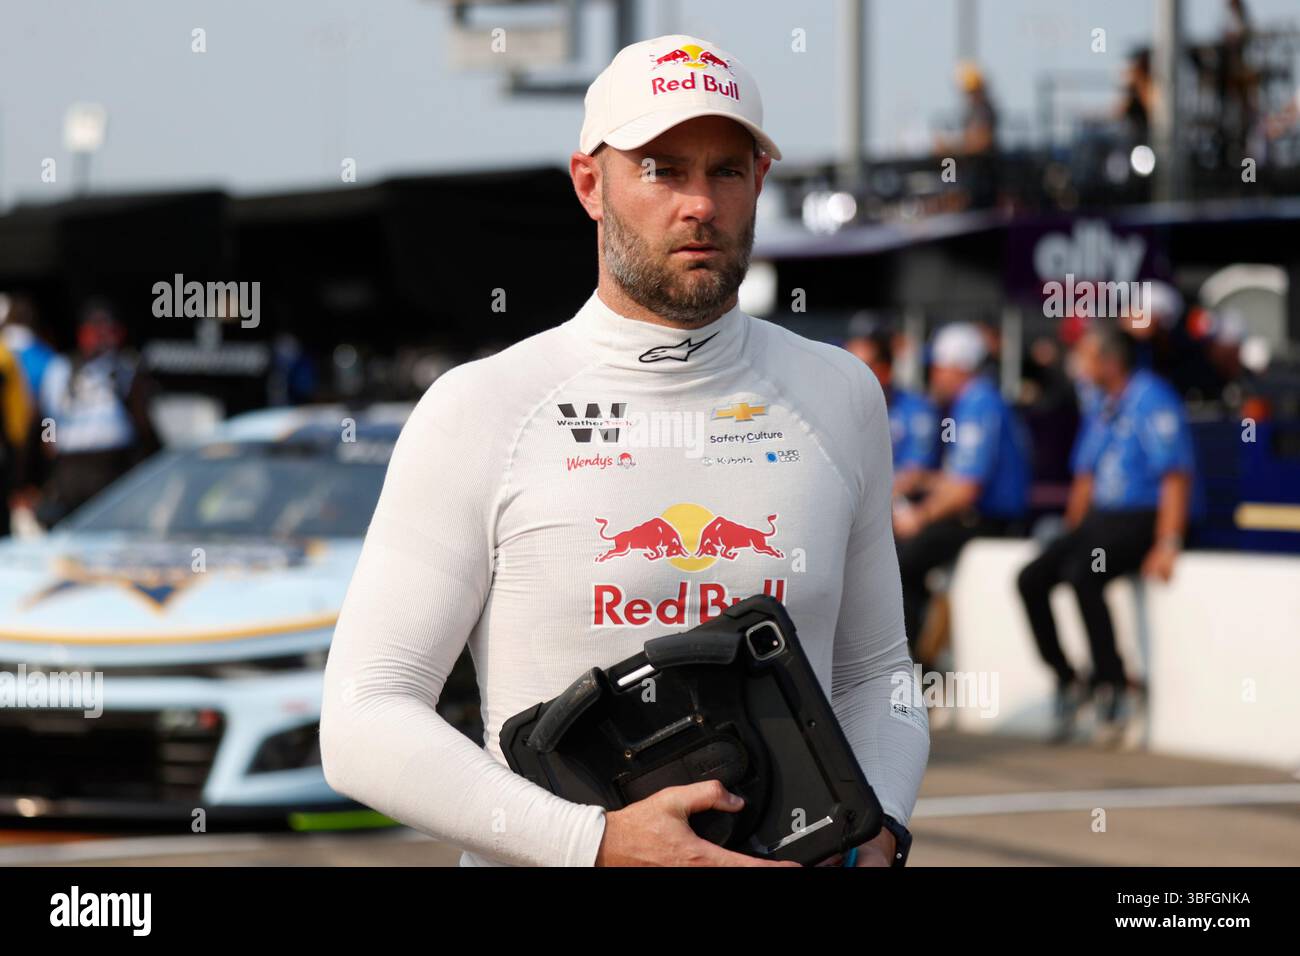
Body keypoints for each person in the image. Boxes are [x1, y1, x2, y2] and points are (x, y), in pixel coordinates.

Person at [320, 34, 929, 868]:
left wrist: (879, 831)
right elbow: (362, 716)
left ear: (759, 181)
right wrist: (598, 844)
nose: (700, 204)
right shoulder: (482, 406)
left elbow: (877, 677)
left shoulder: (839, 393)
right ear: (589, 185)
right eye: (661, 169)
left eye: (726, 170)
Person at [1017, 325, 1194, 744]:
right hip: (1100, 519)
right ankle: (1068, 679)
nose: (1077, 365)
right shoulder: (1101, 403)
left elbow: (1175, 473)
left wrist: (1168, 541)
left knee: (1084, 573)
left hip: (1140, 517)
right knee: (1032, 577)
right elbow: (1085, 475)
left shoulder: (1151, 398)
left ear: (1110, 362)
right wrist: (1071, 534)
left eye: (1086, 356)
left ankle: (1114, 684)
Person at [894, 323, 1030, 656]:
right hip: (980, 514)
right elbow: (958, 479)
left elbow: (967, 489)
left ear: (959, 366)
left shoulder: (978, 404)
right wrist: (919, 481)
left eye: (939, 366)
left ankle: (911, 662)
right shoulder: (975, 401)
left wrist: (920, 516)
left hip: (990, 520)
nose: (933, 375)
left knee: (901, 560)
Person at [36, 300, 160, 527]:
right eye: (96, 331)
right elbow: (48, 418)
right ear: (82, 333)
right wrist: (50, 451)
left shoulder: (126, 367)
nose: (102, 339)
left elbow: (141, 419)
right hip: (72, 468)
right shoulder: (61, 368)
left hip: (113, 465)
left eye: (108, 331)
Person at [845, 327, 939, 497]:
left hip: (899, 504)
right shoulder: (835, 410)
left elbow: (914, 473)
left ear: (885, 370)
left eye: (861, 367)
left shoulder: (917, 409)